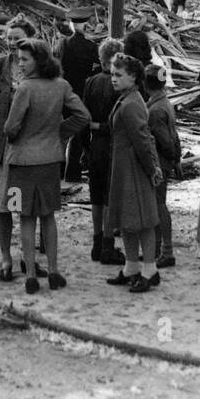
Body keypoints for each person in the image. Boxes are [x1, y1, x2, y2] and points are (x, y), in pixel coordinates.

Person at [2, 40, 91, 293]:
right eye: (19, 59)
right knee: (49, 216)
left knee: (25, 217)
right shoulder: (61, 85)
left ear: (39, 61)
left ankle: (30, 274)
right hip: (51, 161)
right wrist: (59, 133)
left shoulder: (25, 89)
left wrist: (16, 134)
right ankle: (53, 271)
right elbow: (83, 116)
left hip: (21, 163)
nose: (20, 64)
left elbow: (10, 127)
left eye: (24, 59)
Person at [0, 17, 38, 283]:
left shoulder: (38, 68)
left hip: (28, 149)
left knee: (25, 205)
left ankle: (28, 256)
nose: (13, 43)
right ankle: (6, 257)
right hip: (1, 148)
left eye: (18, 38)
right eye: (9, 38)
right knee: (2, 205)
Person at [104, 54, 165, 292]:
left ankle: (149, 270)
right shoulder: (128, 98)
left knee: (143, 220)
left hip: (134, 168)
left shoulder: (131, 103)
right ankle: (131, 266)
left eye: (119, 75)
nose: (114, 79)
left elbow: (143, 140)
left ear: (133, 77)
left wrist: (152, 169)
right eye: (112, 74)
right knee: (128, 219)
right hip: (124, 167)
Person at [83, 38, 126, 265]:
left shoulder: (90, 82)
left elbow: (82, 117)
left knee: (96, 196)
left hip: (95, 146)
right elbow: (121, 123)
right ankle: (108, 244)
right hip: (114, 145)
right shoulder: (119, 85)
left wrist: (85, 147)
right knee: (110, 196)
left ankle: (96, 242)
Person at [53, 13, 98, 182]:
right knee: (78, 133)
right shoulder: (91, 46)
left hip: (63, 91)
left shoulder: (62, 44)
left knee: (62, 131)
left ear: (71, 26)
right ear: (85, 26)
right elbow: (100, 66)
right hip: (82, 93)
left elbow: (54, 65)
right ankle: (73, 172)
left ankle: (58, 170)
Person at [145, 64, 182, 268]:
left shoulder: (155, 110)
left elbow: (165, 141)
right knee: (157, 205)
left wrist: (171, 159)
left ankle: (166, 251)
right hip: (166, 161)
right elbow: (174, 136)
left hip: (159, 162)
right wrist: (176, 159)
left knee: (159, 206)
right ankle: (157, 249)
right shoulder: (165, 103)